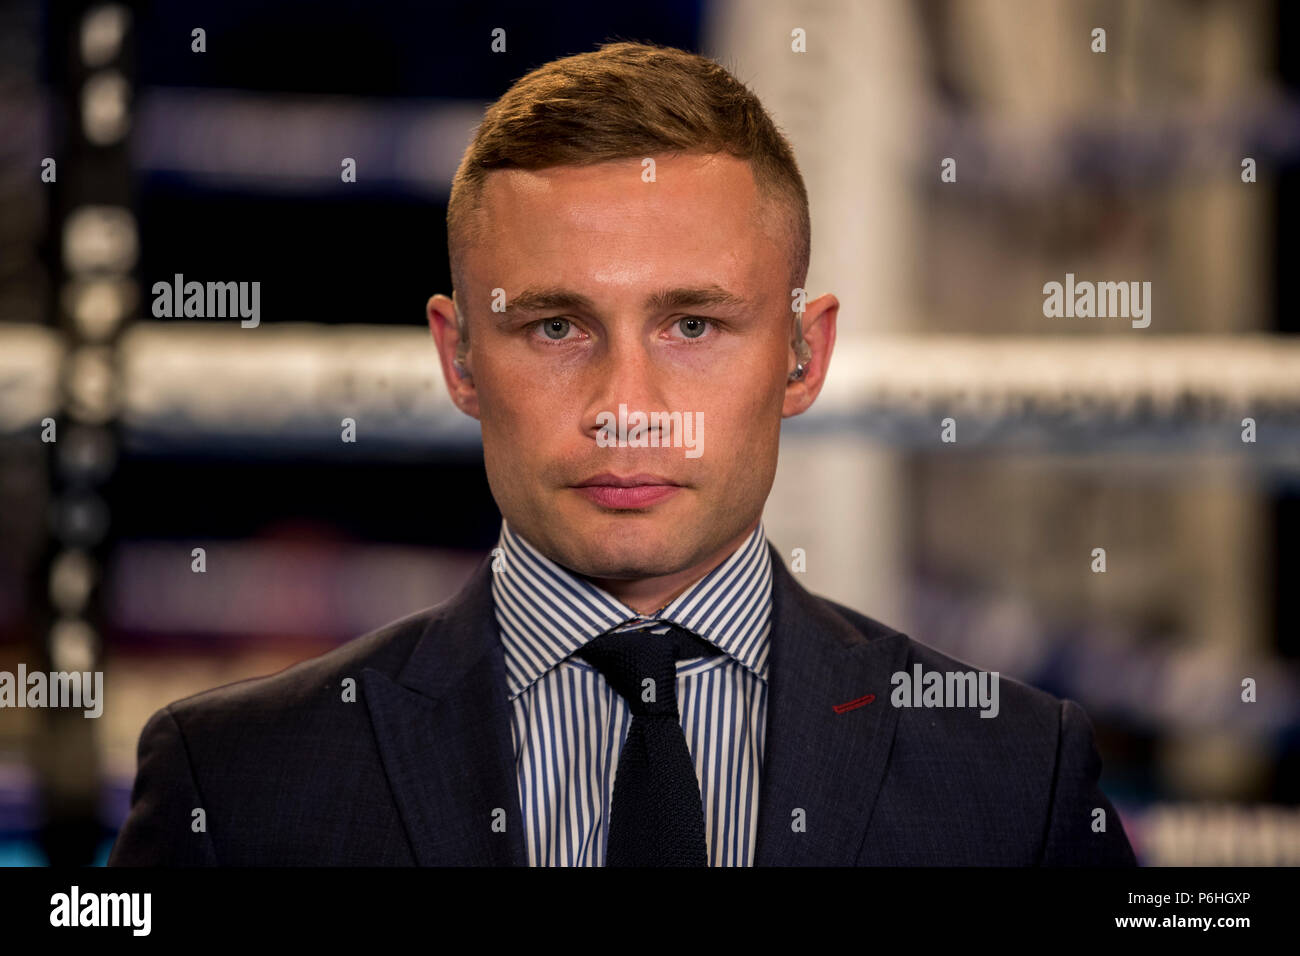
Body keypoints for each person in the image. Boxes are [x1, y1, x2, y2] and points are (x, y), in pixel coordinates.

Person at [109, 40, 1136, 867]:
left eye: (692, 324)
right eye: (556, 327)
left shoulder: (1011, 776)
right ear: (459, 356)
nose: (627, 408)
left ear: (801, 353)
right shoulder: (238, 782)